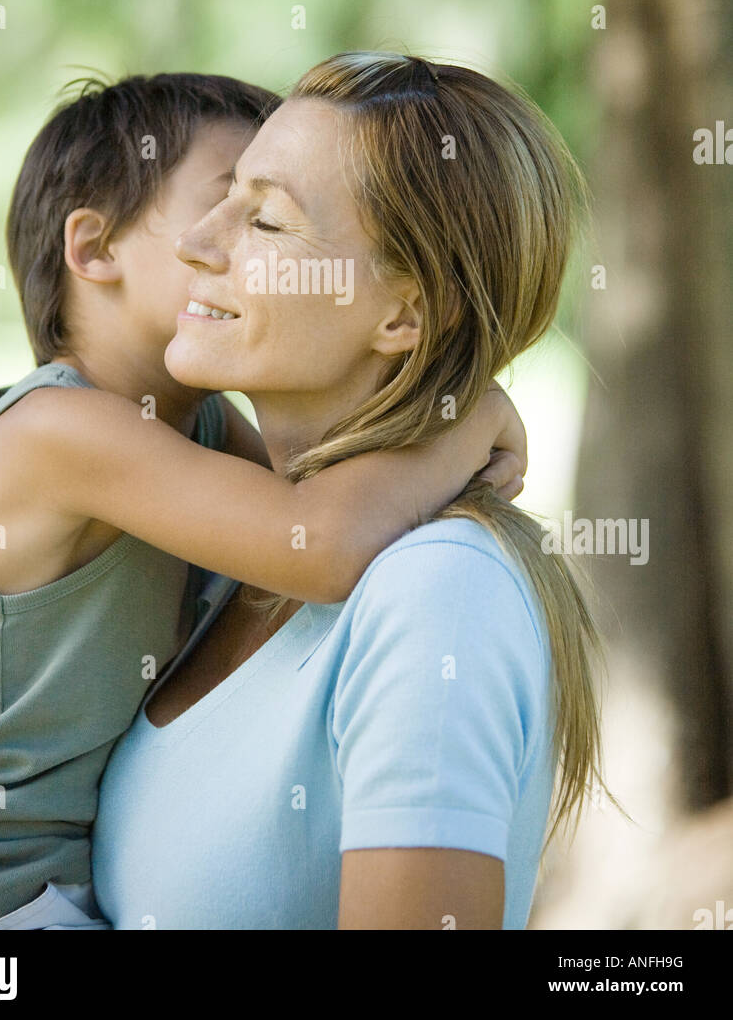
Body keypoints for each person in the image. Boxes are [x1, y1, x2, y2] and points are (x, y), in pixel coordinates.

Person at [0, 71, 524, 932]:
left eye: (264, 219)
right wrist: (463, 418)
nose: (216, 245)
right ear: (94, 250)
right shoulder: (57, 433)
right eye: (222, 200)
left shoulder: (198, 426)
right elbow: (318, 541)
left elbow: (320, 498)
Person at [91, 52, 609, 931]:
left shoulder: (438, 590)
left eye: (268, 223)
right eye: (226, 195)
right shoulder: (245, 545)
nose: (196, 242)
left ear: (403, 314)